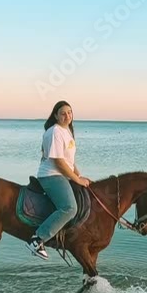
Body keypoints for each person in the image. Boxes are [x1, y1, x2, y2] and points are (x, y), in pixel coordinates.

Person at [26, 101, 92, 259]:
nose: (67, 116)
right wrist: (75, 179)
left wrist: (79, 176)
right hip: (51, 175)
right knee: (70, 208)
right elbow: (58, 162)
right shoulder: (55, 131)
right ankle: (37, 239)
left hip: (61, 173)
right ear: (55, 115)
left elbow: (70, 160)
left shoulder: (66, 131)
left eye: (70, 112)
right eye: (63, 113)